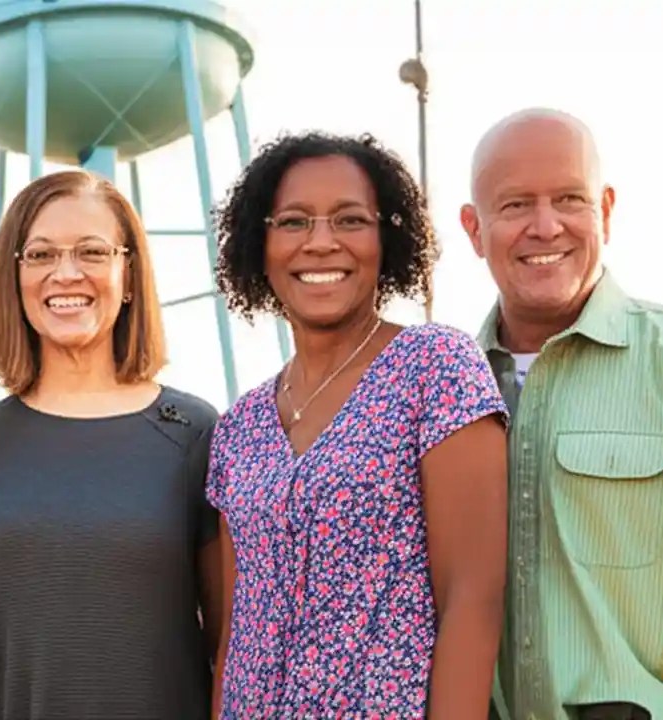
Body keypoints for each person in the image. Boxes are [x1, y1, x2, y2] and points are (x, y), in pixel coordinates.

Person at [207, 131, 509, 718]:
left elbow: (472, 601)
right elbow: (233, 633)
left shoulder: (435, 368)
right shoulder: (238, 426)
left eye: (350, 220)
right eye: (293, 222)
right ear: (259, 244)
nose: (321, 244)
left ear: (385, 238)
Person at [0, 169, 223, 720]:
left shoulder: (194, 433)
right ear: (13, 276)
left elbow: (231, 647)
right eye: (41, 255)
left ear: (129, 275)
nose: (65, 274)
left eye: (91, 251)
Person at [462, 108, 663, 720]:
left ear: (607, 212)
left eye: (570, 199)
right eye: (514, 206)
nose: (546, 226)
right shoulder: (441, 391)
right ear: (473, 228)